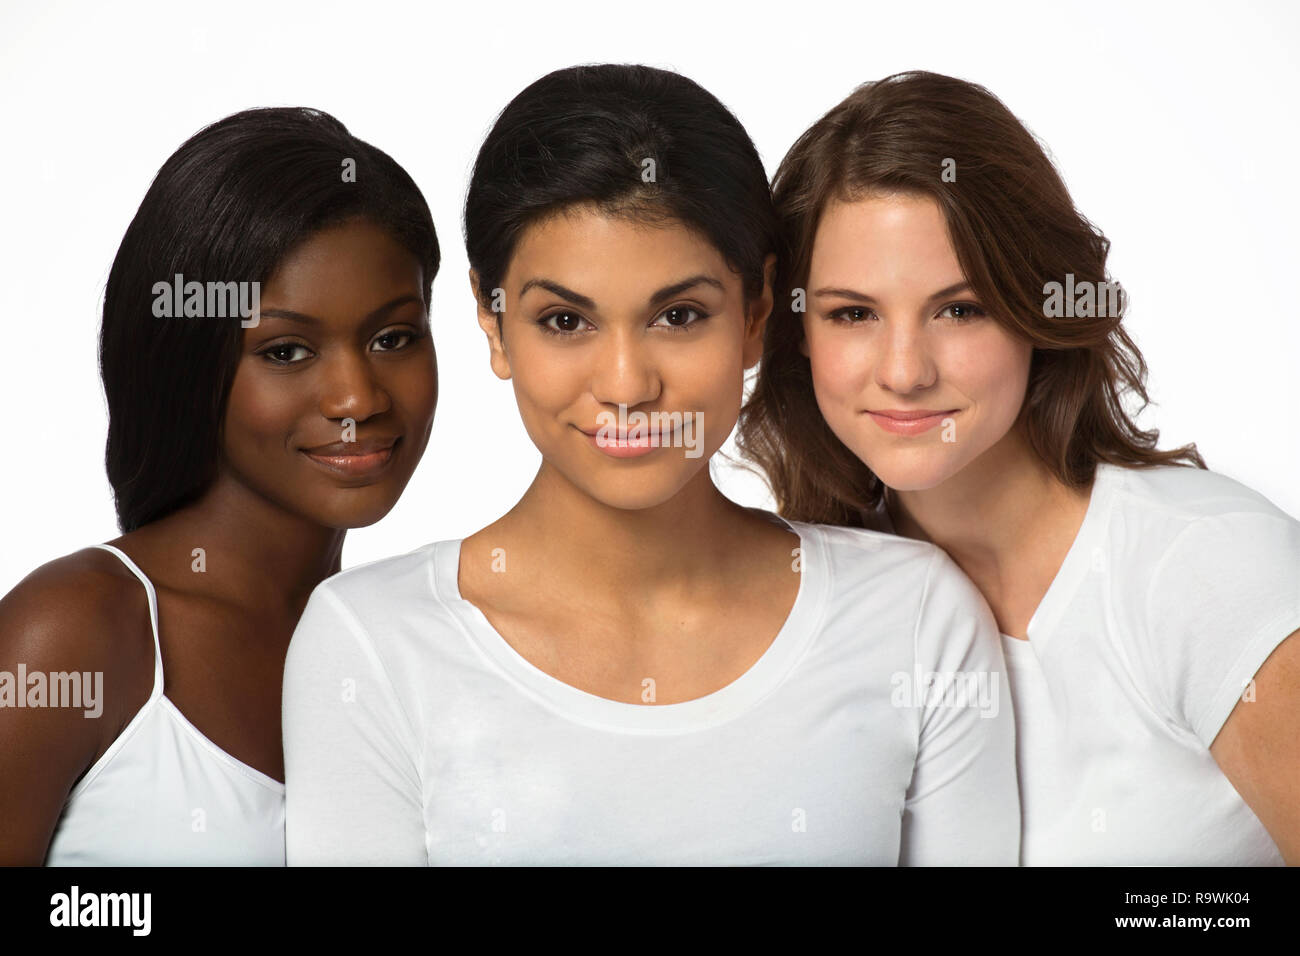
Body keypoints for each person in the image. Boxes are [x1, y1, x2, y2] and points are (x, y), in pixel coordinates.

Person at [283, 64, 1017, 866]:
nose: (627, 385)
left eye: (679, 315)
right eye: (565, 320)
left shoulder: (914, 621)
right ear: (493, 326)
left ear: (757, 314)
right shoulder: (374, 646)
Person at [738, 70, 1300, 865]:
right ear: (795, 332)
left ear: (1039, 309)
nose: (904, 371)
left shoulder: (1205, 567)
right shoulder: (820, 603)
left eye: (960, 309)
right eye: (852, 313)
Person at [0, 107, 440, 865]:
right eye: (287, 349)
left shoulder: (396, 641)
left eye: (392, 337)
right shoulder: (76, 630)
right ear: (188, 359)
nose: (358, 398)